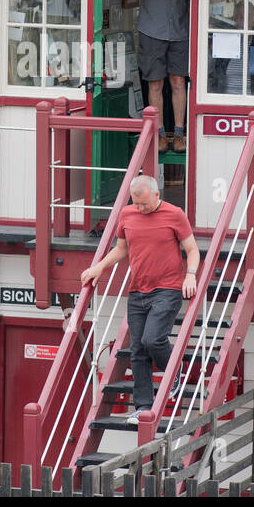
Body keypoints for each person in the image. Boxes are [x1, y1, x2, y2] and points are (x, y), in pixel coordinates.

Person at [80, 174, 199, 423]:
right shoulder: (127, 214)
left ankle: (173, 369)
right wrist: (99, 267)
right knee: (137, 351)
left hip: (167, 288)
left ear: (157, 195)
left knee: (152, 339)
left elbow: (192, 249)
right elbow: (121, 248)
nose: (141, 208)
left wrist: (190, 275)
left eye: (145, 203)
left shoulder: (174, 214)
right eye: (137, 203)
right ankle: (143, 407)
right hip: (138, 291)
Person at [127, 0, 190, 151]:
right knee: (155, 83)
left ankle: (179, 134)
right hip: (152, 30)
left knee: (178, 81)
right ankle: (160, 134)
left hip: (182, 30)